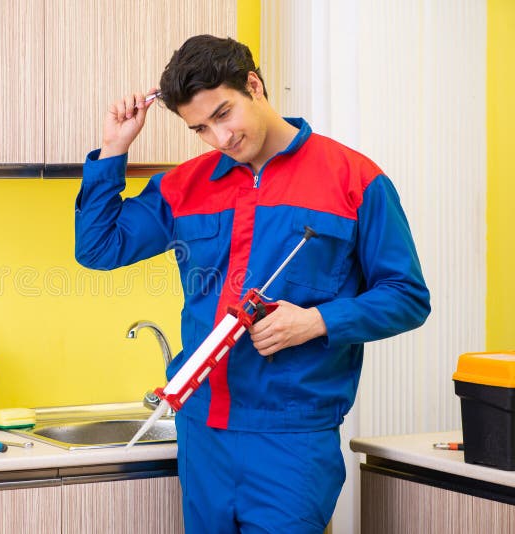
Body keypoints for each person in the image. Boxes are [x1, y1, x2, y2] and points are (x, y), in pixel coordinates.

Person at [74, 34, 430, 533]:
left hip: (292, 440)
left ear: (254, 86)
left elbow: (407, 297)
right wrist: (114, 148)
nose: (220, 139)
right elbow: (98, 249)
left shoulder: (353, 178)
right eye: (200, 128)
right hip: (202, 433)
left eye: (224, 114)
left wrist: (315, 321)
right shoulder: (184, 185)